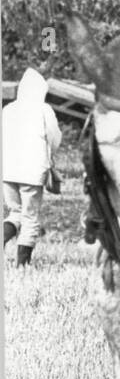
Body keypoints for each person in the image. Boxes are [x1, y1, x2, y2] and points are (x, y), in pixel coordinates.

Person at [3, 68, 62, 267]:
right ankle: (22, 265)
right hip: (32, 171)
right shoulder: (44, 110)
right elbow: (54, 137)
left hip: (7, 170)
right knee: (30, 217)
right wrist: (50, 154)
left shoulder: (8, 109)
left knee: (15, 213)